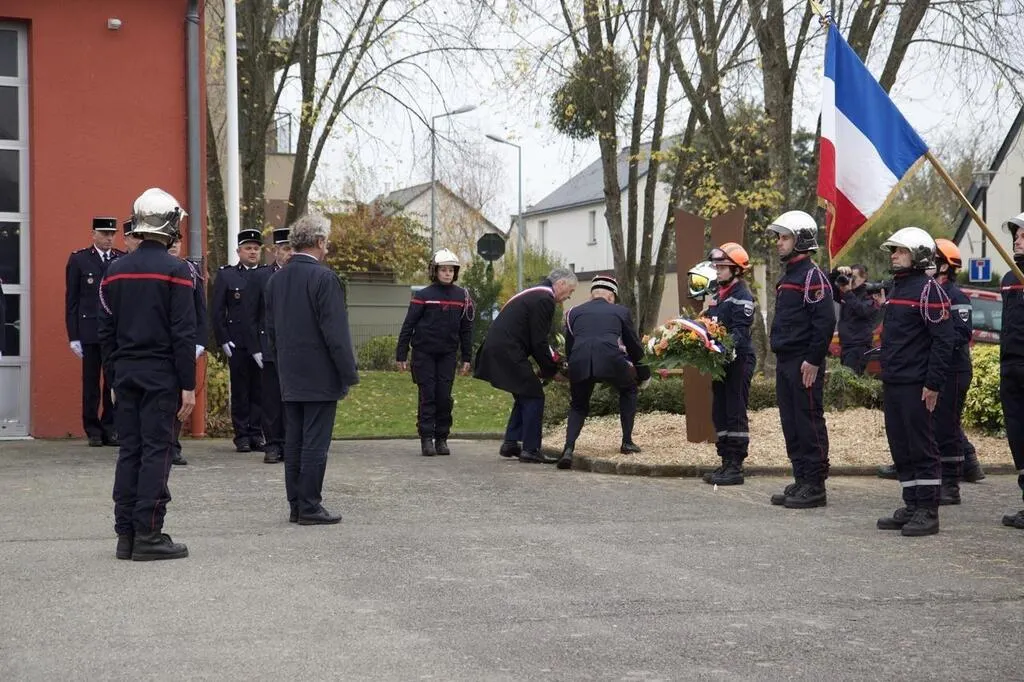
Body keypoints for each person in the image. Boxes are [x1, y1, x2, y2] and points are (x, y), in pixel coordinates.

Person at [99, 188, 195, 561]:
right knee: (158, 452)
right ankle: (149, 533)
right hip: (161, 374)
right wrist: (187, 384)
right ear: (169, 224)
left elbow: (105, 332)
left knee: (130, 452)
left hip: (125, 372)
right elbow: (183, 333)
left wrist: (111, 376)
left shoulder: (114, 270)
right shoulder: (177, 271)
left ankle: (126, 535)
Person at [265, 214, 358, 525]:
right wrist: (348, 374)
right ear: (320, 242)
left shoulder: (276, 279)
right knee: (315, 442)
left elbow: (271, 330)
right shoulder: (324, 279)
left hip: (289, 372)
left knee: (294, 442)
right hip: (320, 374)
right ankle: (310, 505)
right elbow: (336, 334)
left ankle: (296, 504)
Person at [874, 227, 954, 536]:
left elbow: (943, 341)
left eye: (901, 250)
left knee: (921, 445)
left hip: (917, 384)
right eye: (893, 250)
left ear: (918, 255)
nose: (894, 255)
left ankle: (928, 510)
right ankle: (911, 503)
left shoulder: (928, 289)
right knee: (900, 445)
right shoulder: (897, 288)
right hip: (894, 380)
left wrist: (933, 384)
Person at [766, 211, 835, 509]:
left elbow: (824, 322)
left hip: (803, 363)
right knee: (790, 422)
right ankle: (801, 478)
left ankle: (815, 485)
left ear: (802, 240)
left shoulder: (812, 277)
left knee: (808, 422)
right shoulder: (790, 276)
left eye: (785, 238)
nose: (779, 243)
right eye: (779, 238)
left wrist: (813, 360)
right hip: (786, 360)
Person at [474, 268, 578, 463]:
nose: (569, 296)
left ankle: (511, 443)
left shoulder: (535, 293)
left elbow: (535, 339)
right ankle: (530, 448)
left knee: (524, 393)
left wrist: (549, 364)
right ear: (561, 283)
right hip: (507, 350)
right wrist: (551, 370)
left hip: (499, 347)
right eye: (570, 291)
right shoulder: (544, 299)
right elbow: (538, 340)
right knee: (534, 394)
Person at [556, 275, 646, 470]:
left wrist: (569, 368)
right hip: (610, 360)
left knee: (578, 405)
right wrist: (644, 372)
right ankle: (627, 442)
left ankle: (568, 449)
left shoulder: (573, 313)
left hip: (579, 361)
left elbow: (570, 347)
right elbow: (633, 346)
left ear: (592, 295)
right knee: (628, 390)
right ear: (611, 296)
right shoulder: (620, 312)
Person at [395, 248, 475, 457]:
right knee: (427, 395)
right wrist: (401, 354)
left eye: (451, 270)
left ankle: (442, 438)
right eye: (443, 270)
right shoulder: (423, 295)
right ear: (435, 271)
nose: (447, 273)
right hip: (424, 353)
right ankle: (426, 438)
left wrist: (467, 357)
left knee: (443, 396)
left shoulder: (462, 296)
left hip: (448, 354)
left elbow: (466, 329)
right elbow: (408, 324)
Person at [701, 243, 757, 486]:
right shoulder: (718, 295)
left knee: (734, 411)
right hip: (720, 362)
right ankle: (725, 460)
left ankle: (736, 465)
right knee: (720, 411)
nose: (718, 271)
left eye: (723, 267)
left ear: (737, 270)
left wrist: (722, 348)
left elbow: (739, 333)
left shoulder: (742, 296)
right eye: (717, 266)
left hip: (738, 360)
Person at [66, 217, 124, 446]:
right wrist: (74, 336)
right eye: (104, 234)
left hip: (113, 332)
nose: (109, 238)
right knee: (90, 383)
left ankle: (110, 427)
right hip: (89, 330)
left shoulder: (121, 259)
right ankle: (92, 429)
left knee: (112, 381)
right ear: (93, 234)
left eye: (112, 234)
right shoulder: (80, 260)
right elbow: (71, 301)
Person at [212, 229, 265, 453]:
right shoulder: (227, 275)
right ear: (238, 251)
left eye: (256, 248)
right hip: (238, 343)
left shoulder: (268, 274)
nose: (252, 252)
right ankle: (242, 435)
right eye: (248, 248)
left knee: (260, 391)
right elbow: (216, 310)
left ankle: (257, 433)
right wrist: (223, 338)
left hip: (261, 344)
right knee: (241, 391)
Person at [931, 239, 974, 505]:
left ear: (945, 265)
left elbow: (961, 334)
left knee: (947, 427)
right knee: (935, 427)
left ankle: (951, 485)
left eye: (932, 259)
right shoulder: (930, 293)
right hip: (937, 369)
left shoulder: (957, 297)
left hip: (955, 370)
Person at [247, 228, 293, 464]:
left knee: (292, 399)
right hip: (268, 346)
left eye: (292, 248)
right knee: (271, 400)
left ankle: (291, 443)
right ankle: (273, 444)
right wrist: (255, 347)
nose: (288, 253)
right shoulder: (261, 276)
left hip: (294, 348)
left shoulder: (300, 275)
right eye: (284, 249)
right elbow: (251, 315)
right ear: (275, 251)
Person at [167, 236, 207, 466]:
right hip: (164, 343)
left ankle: (173, 445)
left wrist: (200, 340)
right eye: (170, 242)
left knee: (180, 395)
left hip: (186, 341)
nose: (174, 246)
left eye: (177, 243)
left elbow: (200, 307)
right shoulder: (162, 269)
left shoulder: (190, 270)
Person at [999, 212, 1024, 530]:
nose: (1017, 239)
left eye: (1023, 235)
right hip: (1011, 366)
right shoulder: (1009, 278)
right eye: (1015, 235)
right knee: (1019, 440)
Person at [834, 264, 879, 374]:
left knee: (850, 379)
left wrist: (848, 293)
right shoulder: (847, 293)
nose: (851, 281)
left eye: (854, 277)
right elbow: (831, 290)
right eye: (849, 277)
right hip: (846, 344)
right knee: (845, 381)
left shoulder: (870, 294)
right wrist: (836, 272)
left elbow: (862, 311)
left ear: (864, 277)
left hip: (858, 346)